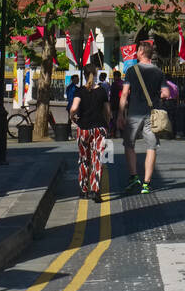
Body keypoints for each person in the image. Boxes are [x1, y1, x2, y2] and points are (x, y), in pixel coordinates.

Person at [117, 41, 170, 195]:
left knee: (129, 145)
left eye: (137, 51)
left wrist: (121, 114)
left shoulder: (132, 70)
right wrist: (156, 96)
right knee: (151, 147)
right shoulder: (159, 72)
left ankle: (134, 176)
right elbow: (166, 93)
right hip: (151, 115)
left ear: (140, 53)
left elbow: (125, 94)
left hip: (134, 113)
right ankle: (146, 183)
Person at [69, 66, 111, 203]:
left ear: (85, 75)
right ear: (96, 74)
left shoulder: (80, 91)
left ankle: (83, 189)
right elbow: (108, 112)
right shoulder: (102, 91)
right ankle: (95, 190)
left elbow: (74, 108)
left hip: (83, 128)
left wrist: (72, 117)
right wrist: (108, 123)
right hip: (99, 128)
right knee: (97, 159)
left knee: (83, 158)